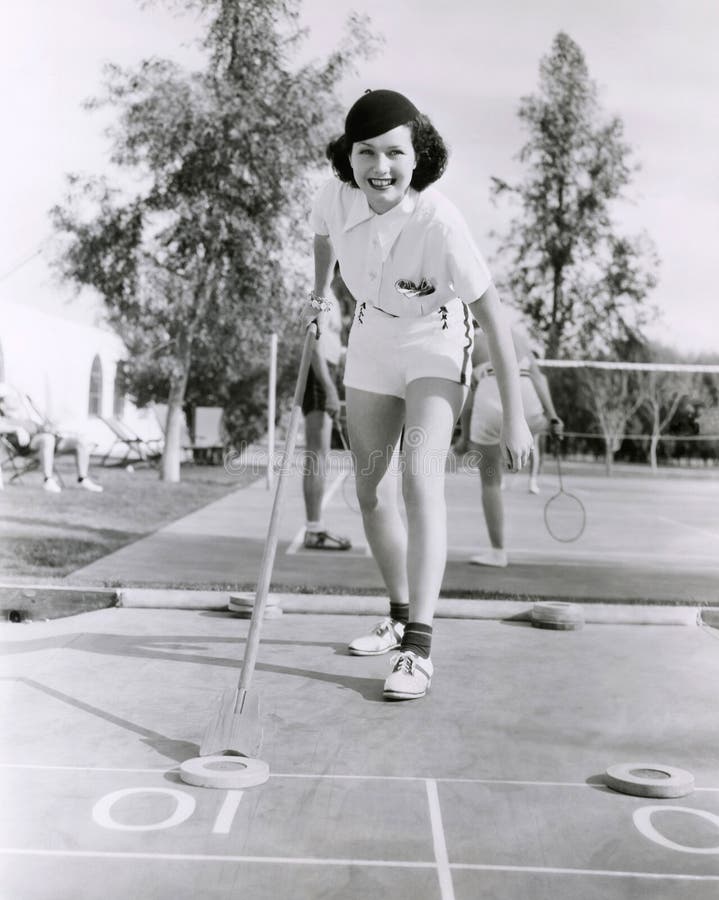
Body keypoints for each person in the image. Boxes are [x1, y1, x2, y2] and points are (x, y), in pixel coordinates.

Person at [304, 88, 533, 700]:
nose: (380, 167)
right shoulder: (333, 197)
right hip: (371, 333)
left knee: (419, 477)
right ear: (347, 159)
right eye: (366, 153)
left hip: (437, 336)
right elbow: (324, 239)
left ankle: (419, 649)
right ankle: (400, 615)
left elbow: (495, 321)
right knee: (371, 489)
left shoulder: (441, 222)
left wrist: (516, 419)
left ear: (418, 155)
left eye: (394, 153)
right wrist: (319, 291)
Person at [462, 326, 563, 567]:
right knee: (539, 422)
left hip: (488, 392)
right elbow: (539, 377)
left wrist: (465, 437)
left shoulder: (470, 340)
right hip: (524, 394)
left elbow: (466, 395)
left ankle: (497, 552)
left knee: (490, 483)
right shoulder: (516, 335)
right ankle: (544, 427)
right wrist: (553, 416)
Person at [302, 263, 352, 551]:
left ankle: (315, 527)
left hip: (327, 373)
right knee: (317, 456)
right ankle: (314, 529)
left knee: (319, 455)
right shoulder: (321, 297)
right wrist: (330, 389)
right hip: (318, 375)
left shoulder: (333, 300)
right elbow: (314, 348)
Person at [0, 382, 103, 492]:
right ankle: (47, 480)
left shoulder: (24, 414)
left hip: (46, 440)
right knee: (47, 439)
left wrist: (49, 427)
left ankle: (83, 478)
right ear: (2, 403)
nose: (16, 399)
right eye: (10, 398)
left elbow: (42, 426)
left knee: (79, 441)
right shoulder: (4, 418)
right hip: (29, 447)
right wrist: (17, 429)